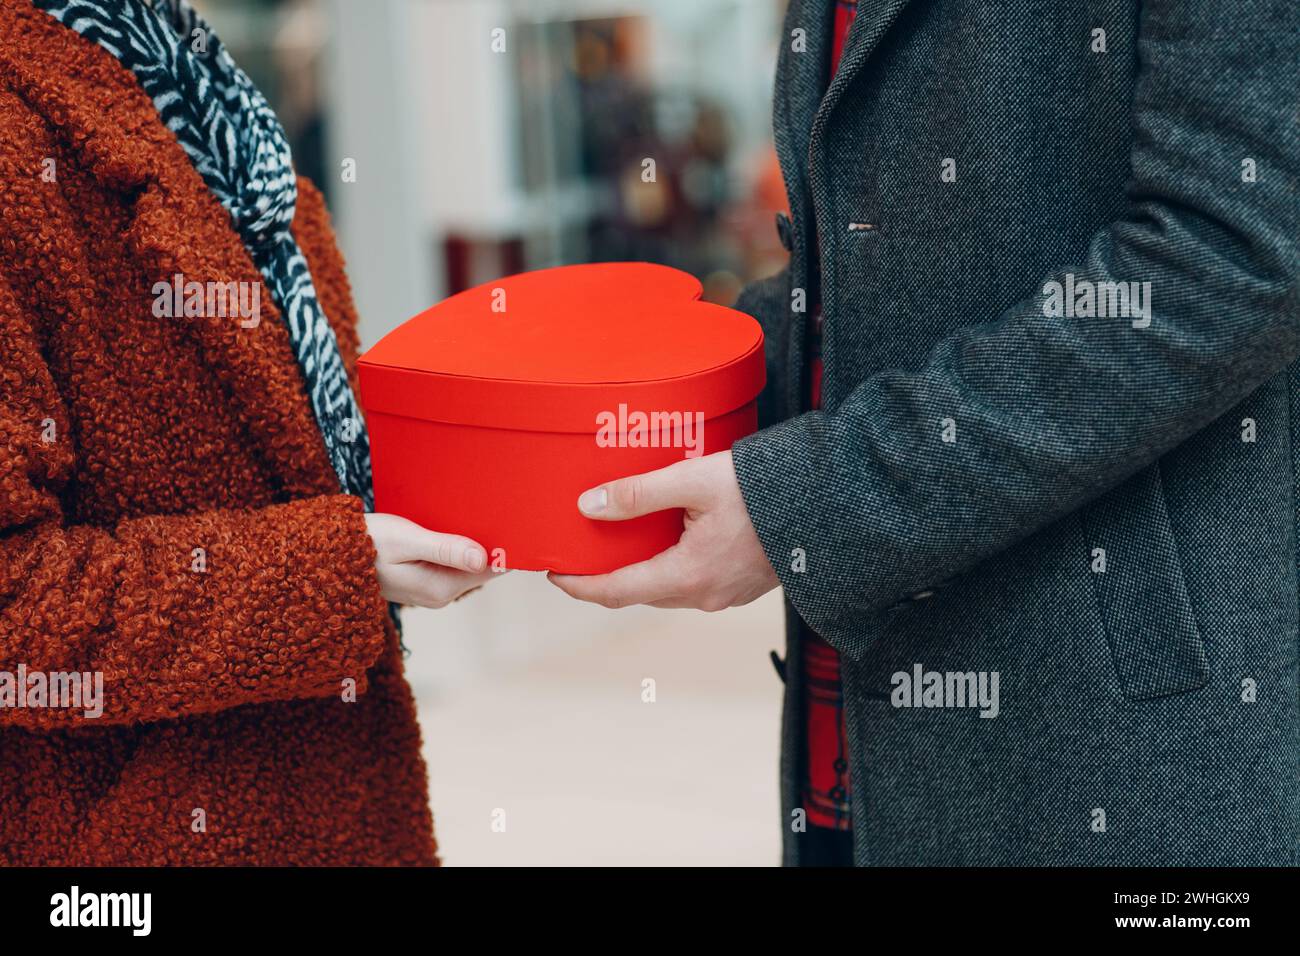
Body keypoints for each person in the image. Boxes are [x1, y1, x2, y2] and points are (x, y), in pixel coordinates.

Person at [551, 0, 1300, 865]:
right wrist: (635, 405)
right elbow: (873, 276)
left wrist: (812, 510)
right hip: (861, 751)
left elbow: (1234, 257)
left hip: (1105, 746)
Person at [0, 0, 492, 864]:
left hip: (321, 803)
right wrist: (333, 569)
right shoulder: (20, 136)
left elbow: (298, 453)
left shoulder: (205, 98)